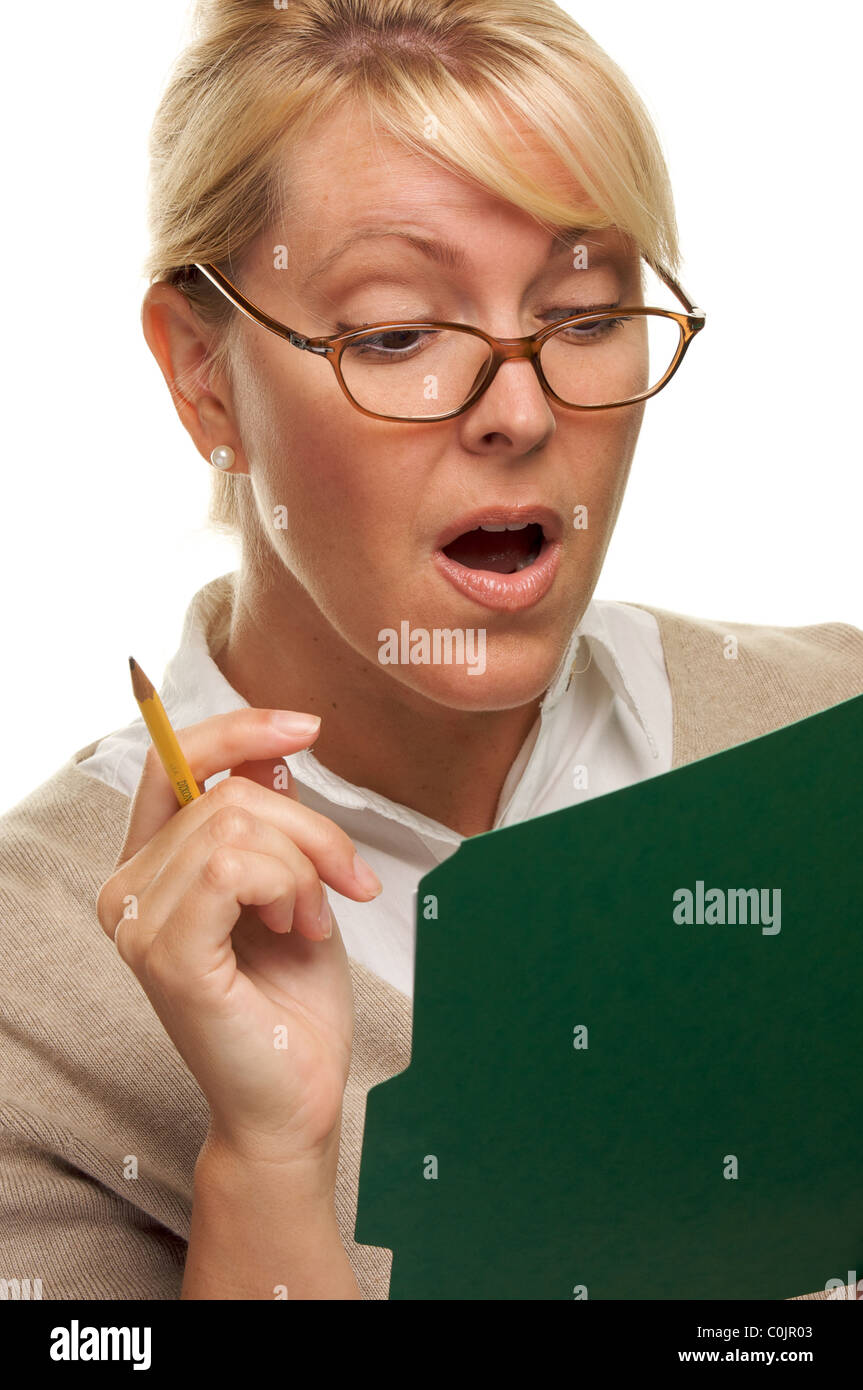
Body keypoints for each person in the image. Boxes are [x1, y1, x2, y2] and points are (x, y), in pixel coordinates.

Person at [1, 0, 860, 1301]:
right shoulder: (36, 990)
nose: (519, 411)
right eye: (397, 333)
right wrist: (267, 1167)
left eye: (582, 312)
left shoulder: (828, 731)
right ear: (202, 375)